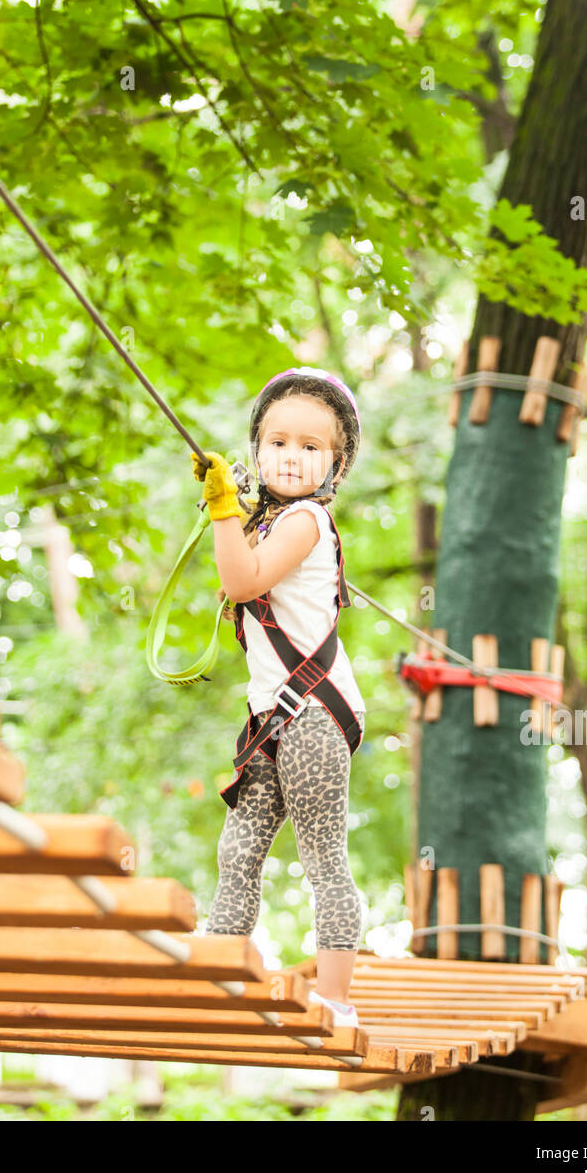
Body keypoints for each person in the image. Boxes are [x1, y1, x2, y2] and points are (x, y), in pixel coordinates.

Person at [191, 366, 367, 1027]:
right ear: (256, 451)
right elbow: (240, 579)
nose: (291, 456)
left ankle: (338, 1000)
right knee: (237, 852)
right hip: (272, 719)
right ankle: (216, 984)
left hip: (315, 716)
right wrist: (230, 516)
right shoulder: (268, 525)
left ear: (334, 465)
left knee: (323, 858)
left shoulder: (304, 522)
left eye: (310, 447)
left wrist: (222, 512)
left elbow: (241, 585)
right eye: (278, 442)